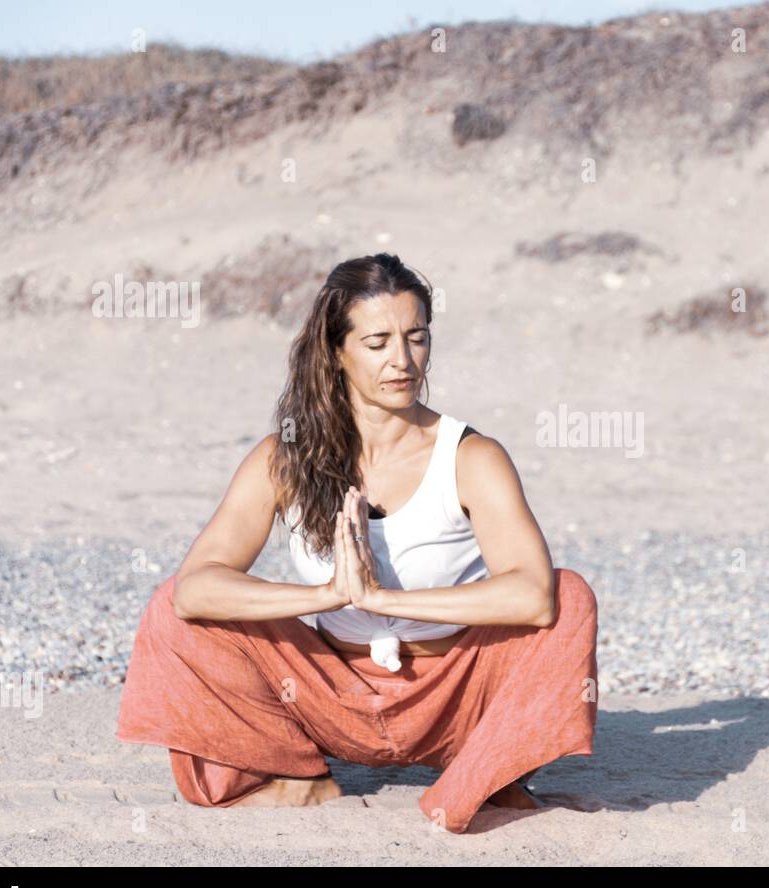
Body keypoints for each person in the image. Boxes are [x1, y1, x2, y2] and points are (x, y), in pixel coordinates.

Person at [115, 253, 599, 834]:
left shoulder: (473, 457)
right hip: (329, 693)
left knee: (570, 596)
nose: (402, 360)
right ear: (336, 351)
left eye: (416, 338)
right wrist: (327, 594)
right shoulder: (284, 458)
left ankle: (477, 780)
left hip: (454, 697)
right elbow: (196, 588)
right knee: (175, 610)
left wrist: (379, 599)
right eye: (378, 342)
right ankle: (295, 774)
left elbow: (533, 597)